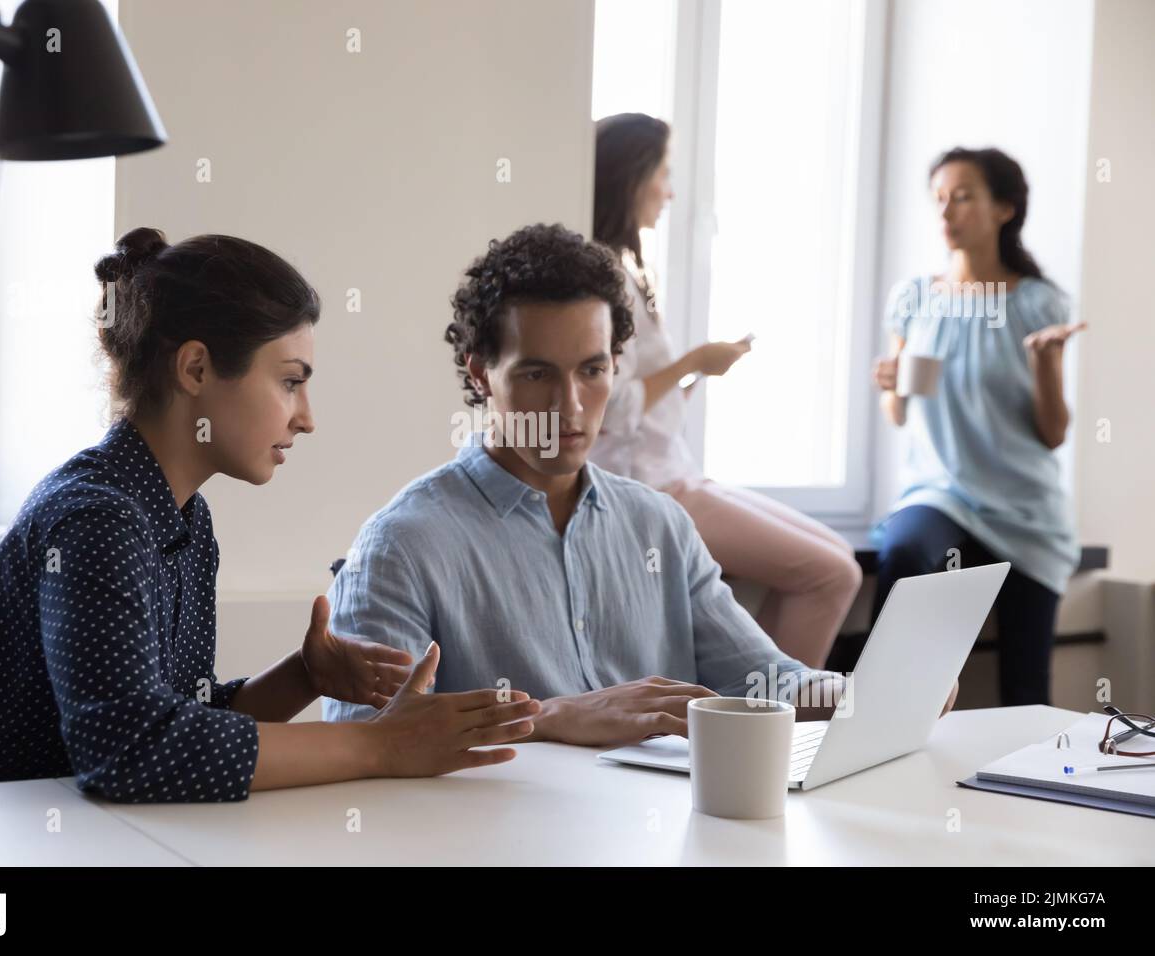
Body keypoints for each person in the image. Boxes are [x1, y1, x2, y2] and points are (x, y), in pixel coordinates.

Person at [0, 227, 538, 801]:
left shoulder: (185, 521)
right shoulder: (96, 519)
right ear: (195, 367)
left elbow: (178, 723)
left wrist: (304, 676)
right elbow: (131, 755)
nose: (306, 417)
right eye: (289, 381)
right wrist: (382, 748)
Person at [323, 223, 955, 741]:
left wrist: (868, 693)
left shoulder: (658, 525)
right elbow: (365, 743)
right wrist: (548, 719)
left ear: (616, 366)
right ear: (482, 374)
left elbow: (764, 682)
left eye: (593, 370)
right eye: (538, 374)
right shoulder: (404, 545)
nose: (571, 407)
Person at [588, 112, 862, 668]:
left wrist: (697, 375)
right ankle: (770, 720)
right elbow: (608, 406)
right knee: (834, 575)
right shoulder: (603, 277)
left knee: (839, 556)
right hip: (650, 488)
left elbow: (645, 408)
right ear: (631, 178)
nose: (669, 191)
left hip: (675, 469)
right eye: (663, 173)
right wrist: (692, 360)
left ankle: (747, 701)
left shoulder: (631, 272)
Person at [870, 147, 1084, 705]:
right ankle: (881, 714)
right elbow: (899, 414)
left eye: (963, 197)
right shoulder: (916, 299)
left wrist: (1046, 362)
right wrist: (890, 386)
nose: (946, 213)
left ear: (1005, 209)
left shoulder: (1037, 304)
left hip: (1023, 513)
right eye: (939, 199)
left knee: (1024, 692)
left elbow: (1053, 433)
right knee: (905, 551)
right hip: (939, 496)